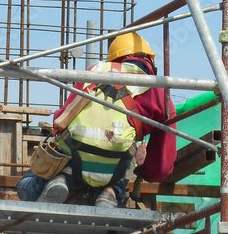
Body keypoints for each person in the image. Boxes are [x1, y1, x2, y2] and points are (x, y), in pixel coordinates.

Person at [16, 31, 177, 208]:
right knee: (123, 164)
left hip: (71, 160)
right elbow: (160, 167)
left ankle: (59, 180)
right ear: (150, 62)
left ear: (114, 57)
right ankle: (109, 194)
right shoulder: (160, 93)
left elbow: (61, 118)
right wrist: (146, 171)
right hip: (112, 171)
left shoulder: (94, 72)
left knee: (38, 177)